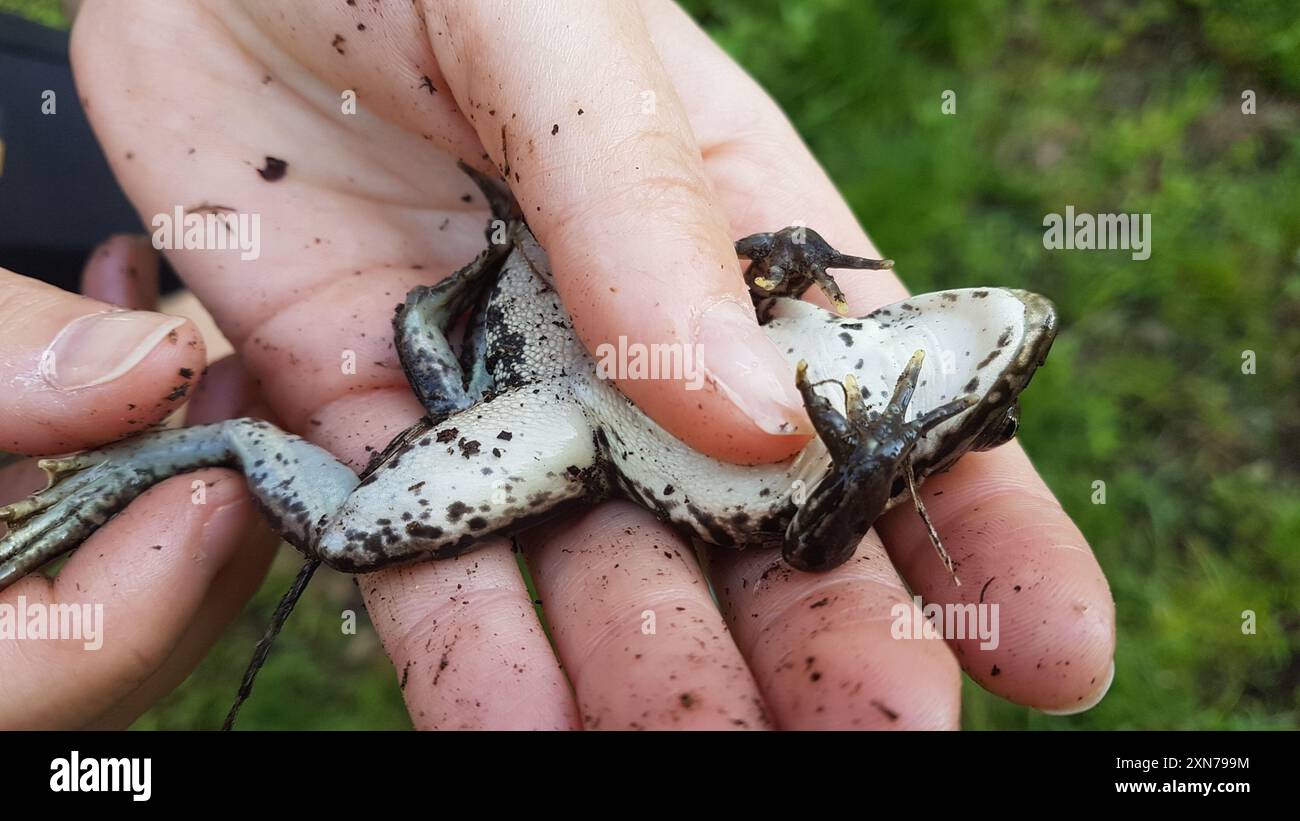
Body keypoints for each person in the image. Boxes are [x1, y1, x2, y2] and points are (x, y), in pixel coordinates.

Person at [1, 0, 1114, 729]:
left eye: (989, 405)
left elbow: (815, 544)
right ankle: (194, 362)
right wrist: (782, 263)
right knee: (385, 365)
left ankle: (189, 415)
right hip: (566, 361)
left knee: (351, 524)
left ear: (975, 428)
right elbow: (751, 270)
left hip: (573, 427)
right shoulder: (827, 329)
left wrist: (868, 465)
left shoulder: (851, 457)